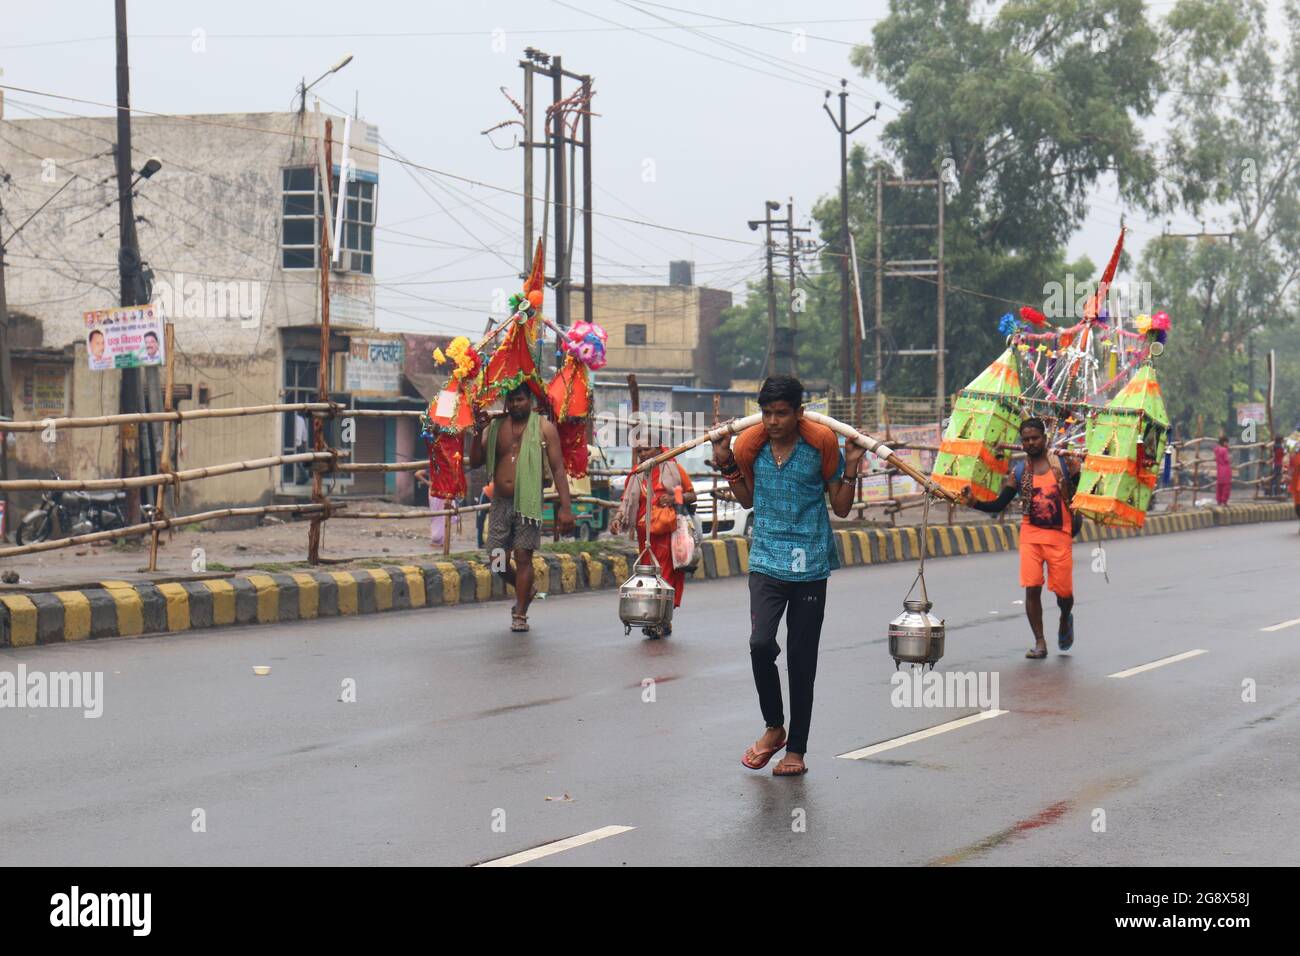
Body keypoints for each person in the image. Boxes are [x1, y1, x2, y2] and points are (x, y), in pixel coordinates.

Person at [710, 375, 864, 777]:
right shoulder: (751, 446)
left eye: (782, 413)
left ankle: (796, 750)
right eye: (766, 413)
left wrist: (852, 468)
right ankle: (774, 726)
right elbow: (747, 498)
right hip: (766, 559)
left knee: (801, 658)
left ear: (799, 412)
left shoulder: (821, 446)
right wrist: (726, 460)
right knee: (761, 644)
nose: (773, 421)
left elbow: (843, 509)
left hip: (810, 563)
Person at [960, 417, 1080, 660]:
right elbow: (1000, 503)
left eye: (1035, 437)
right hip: (1031, 536)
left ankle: (1065, 616)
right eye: (1026, 439)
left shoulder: (1063, 465)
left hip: (1059, 536)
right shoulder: (1018, 472)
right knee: (1032, 588)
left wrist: (1080, 470)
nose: (1031, 442)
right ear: (1021, 443)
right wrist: (974, 503)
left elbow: (1084, 491)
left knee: (1064, 595)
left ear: (1045, 439)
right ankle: (1040, 642)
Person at [469, 382, 574, 632]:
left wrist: (566, 508)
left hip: (529, 501)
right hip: (501, 501)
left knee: (523, 556)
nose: (516, 404)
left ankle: (520, 612)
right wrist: (477, 431)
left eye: (520, 400)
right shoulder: (495, 428)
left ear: (530, 401)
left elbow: (559, 469)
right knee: (496, 557)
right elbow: (474, 462)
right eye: (512, 400)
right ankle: (525, 588)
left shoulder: (544, 428)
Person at [610, 445, 696, 637]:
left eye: (646, 450)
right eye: (639, 451)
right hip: (645, 535)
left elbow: (691, 494)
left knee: (664, 576)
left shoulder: (673, 467)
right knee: (648, 577)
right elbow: (626, 501)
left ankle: (661, 620)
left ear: (658, 450)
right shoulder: (637, 473)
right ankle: (653, 617)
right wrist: (617, 519)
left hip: (668, 532)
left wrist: (673, 498)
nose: (642, 455)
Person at [1214, 435, 1232, 506]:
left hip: (1219, 469)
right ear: (1224, 442)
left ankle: (1219, 500)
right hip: (1225, 469)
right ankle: (1224, 501)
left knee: (1219, 486)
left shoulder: (1216, 449)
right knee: (1226, 486)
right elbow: (1227, 459)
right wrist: (1230, 457)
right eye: (1227, 442)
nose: (1228, 444)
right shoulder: (1224, 450)